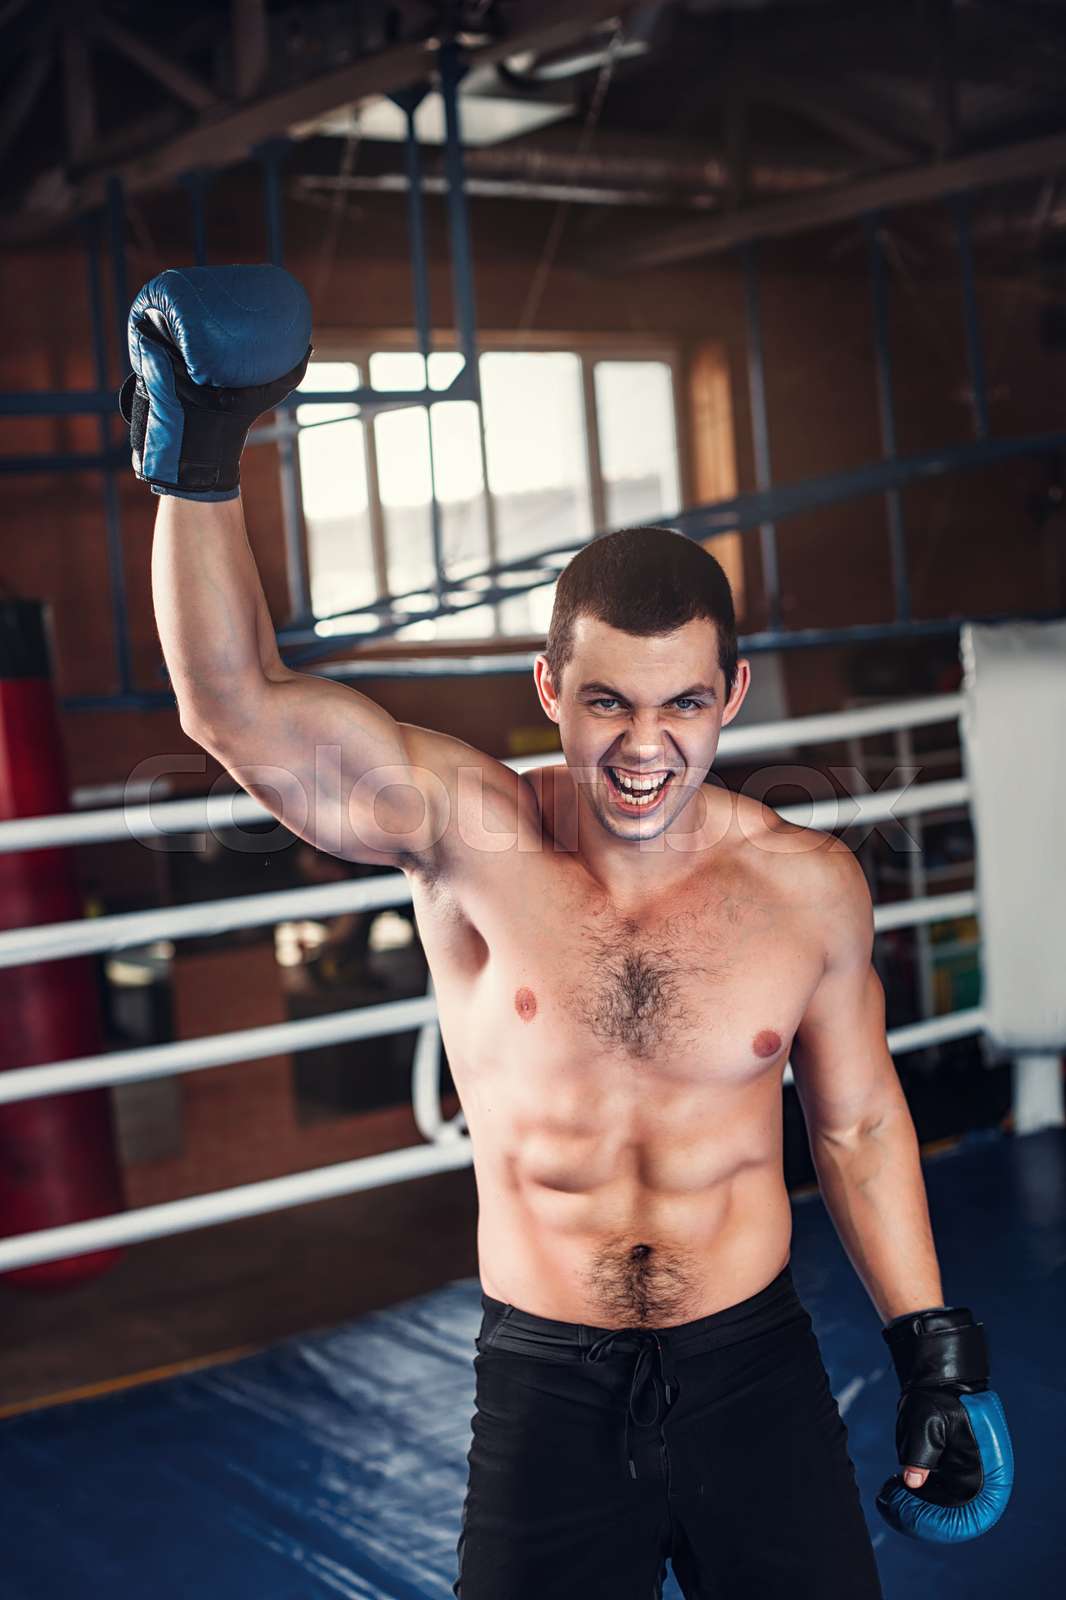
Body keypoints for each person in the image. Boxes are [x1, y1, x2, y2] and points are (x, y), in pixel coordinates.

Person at [122, 264, 1012, 1598]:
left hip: (752, 1372)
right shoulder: (468, 834)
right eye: (605, 704)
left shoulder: (808, 886)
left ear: (731, 698)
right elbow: (235, 707)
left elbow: (858, 1126)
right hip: (546, 1387)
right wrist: (198, 459)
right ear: (548, 687)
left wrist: (931, 1349)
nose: (644, 749)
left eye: (681, 707)